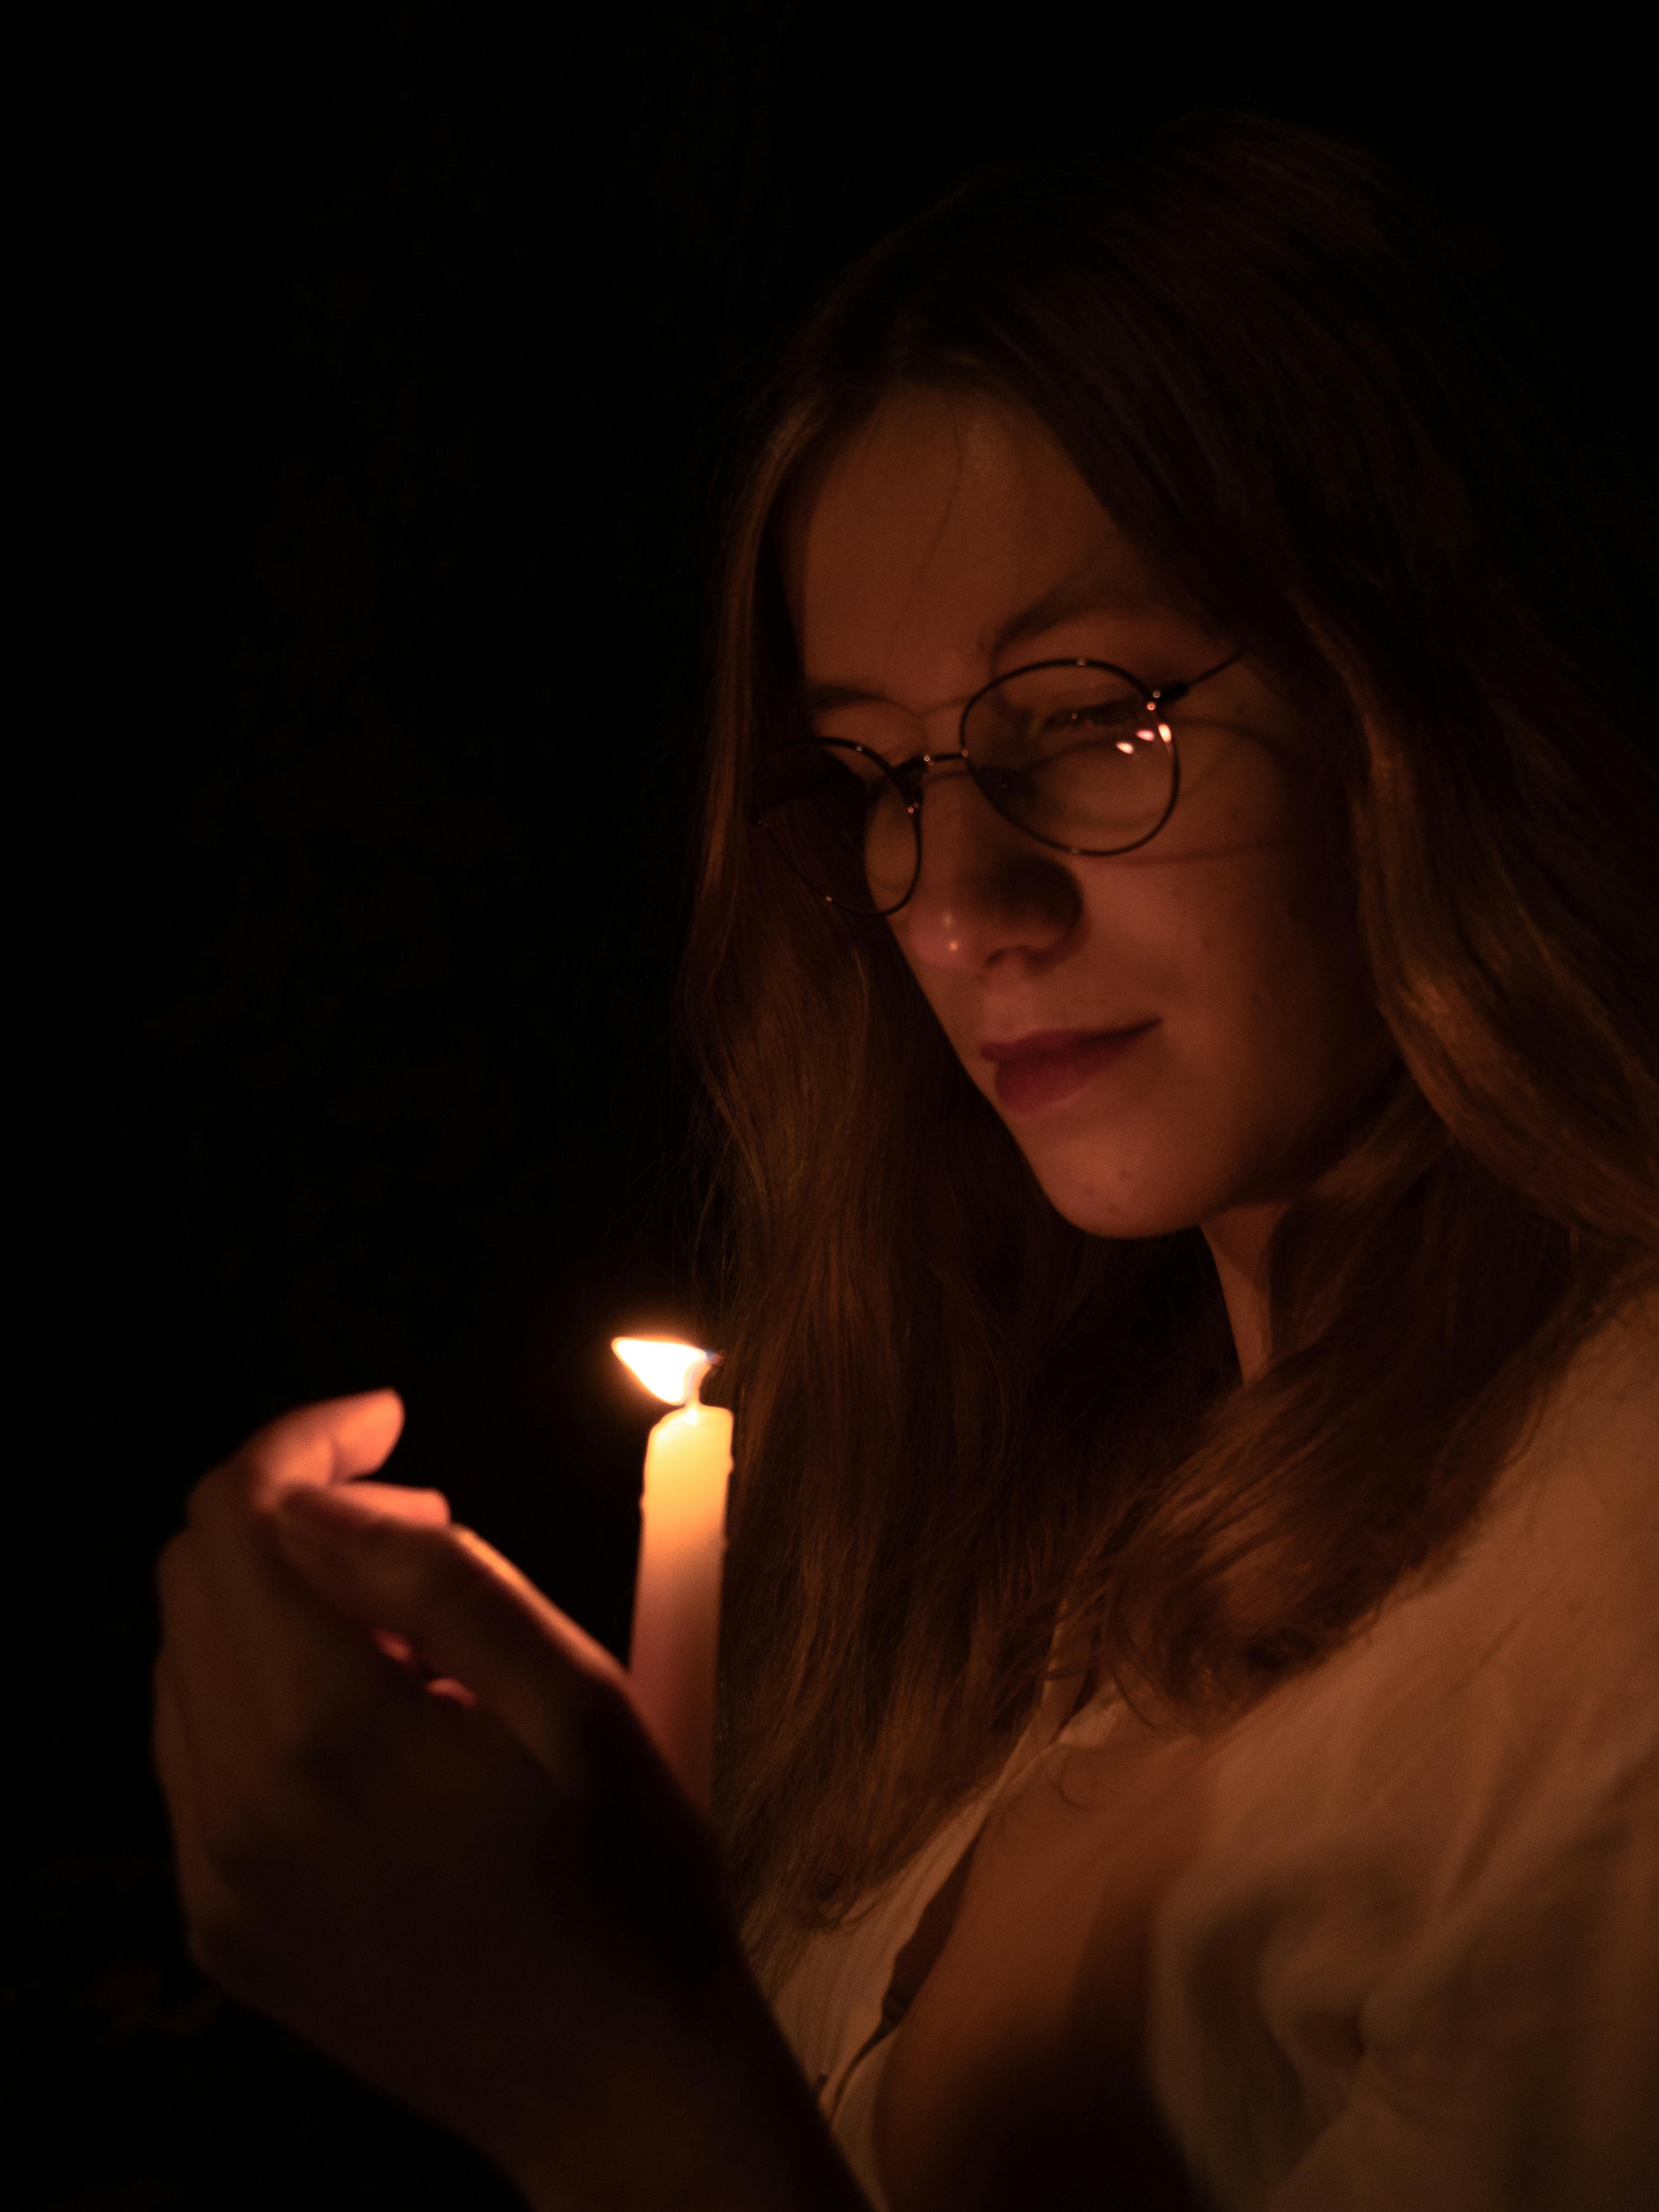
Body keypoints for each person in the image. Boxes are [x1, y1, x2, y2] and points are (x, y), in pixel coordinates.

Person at [153, 112, 1659, 2210]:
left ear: (1421, 690)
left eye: (1093, 715)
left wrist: (603, 2084)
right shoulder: (1044, 1520)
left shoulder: (1610, 1579)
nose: (955, 900)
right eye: (875, 772)